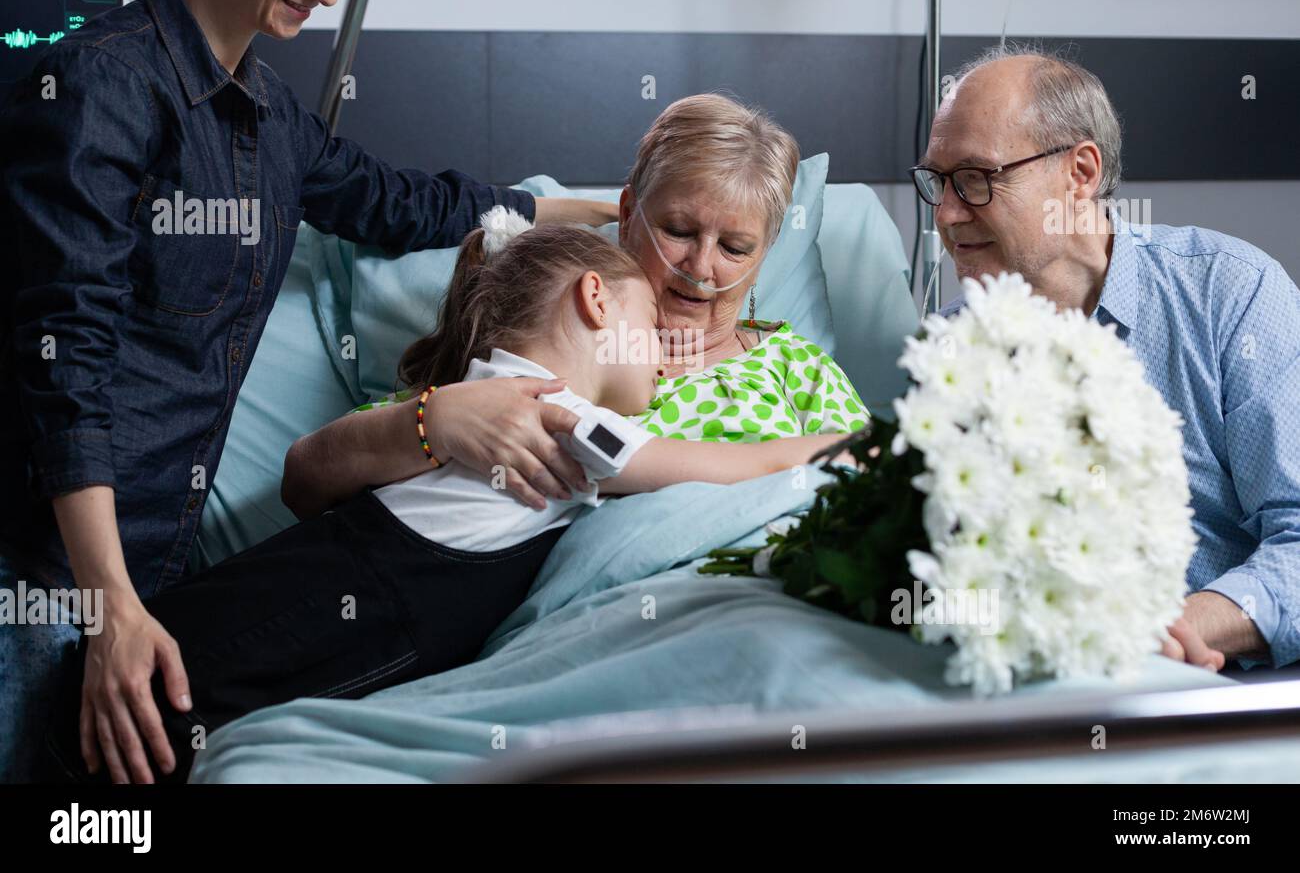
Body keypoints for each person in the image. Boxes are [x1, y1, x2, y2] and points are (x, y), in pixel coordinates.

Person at [0, 0, 613, 783]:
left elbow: (395, 201)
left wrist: (581, 210)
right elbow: (65, 364)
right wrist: (108, 610)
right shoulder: (99, 86)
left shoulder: (270, 117)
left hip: (153, 570)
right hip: (47, 578)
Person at [46, 216, 855, 784]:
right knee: (138, 727)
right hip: (331, 601)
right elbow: (726, 465)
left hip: (347, 601)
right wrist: (859, 445)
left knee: (140, 741)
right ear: (597, 301)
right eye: (649, 319)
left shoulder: (485, 388)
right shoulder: (567, 418)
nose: (668, 359)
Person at [281, 92, 873, 523]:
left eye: (735, 247)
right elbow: (305, 479)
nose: (699, 266)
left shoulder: (799, 372)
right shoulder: (548, 336)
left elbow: (882, 497)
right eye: (678, 230)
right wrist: (432, 422)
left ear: (765, 254)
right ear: (626, 214)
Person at [909, 43, 1300, 672]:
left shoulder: (1230, 296)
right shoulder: (952, 351)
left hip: (1226, 698)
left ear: (1080, 173)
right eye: (938, 181)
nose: (948, 214)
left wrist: (1182, 625)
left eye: (977, 178)